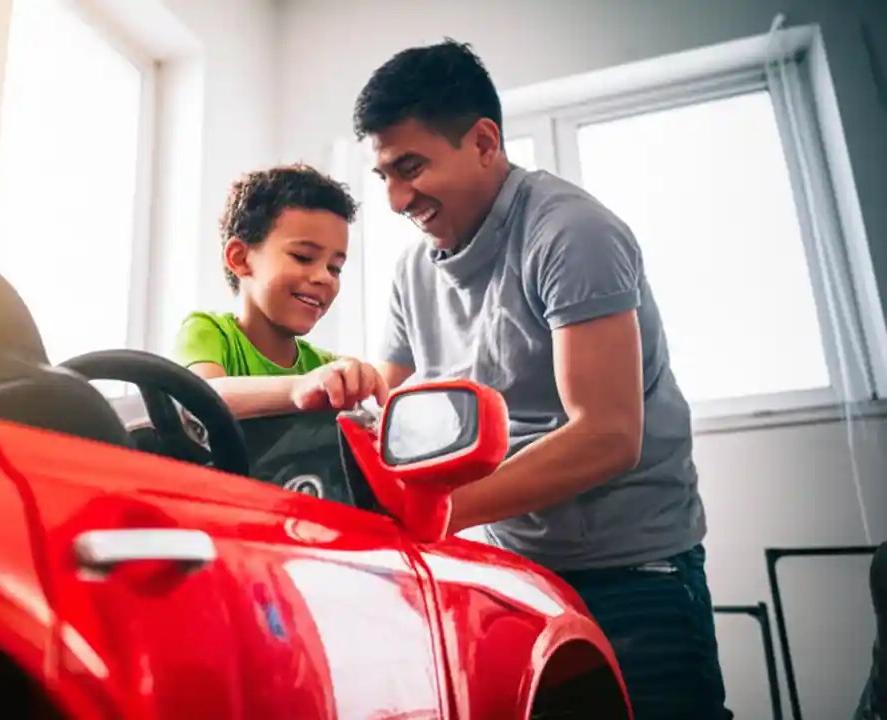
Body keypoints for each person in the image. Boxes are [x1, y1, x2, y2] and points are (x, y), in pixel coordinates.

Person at [353, 39, 730, 719]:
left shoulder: (570, 232)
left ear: (484, 141)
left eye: (411, 167)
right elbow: (393, 421)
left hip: (632, 575)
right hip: (513, 574)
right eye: (383, 175)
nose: (397, 198)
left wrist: (437, 515)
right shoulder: (413, 272)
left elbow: (607, 437)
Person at [172, 163, 388, 416]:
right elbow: (202, 398)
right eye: (303, 257)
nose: (324, 278)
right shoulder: (207, 332)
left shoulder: (327, 368)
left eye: (335, 268)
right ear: (240, 258)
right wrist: (298, 388)